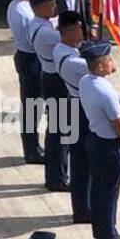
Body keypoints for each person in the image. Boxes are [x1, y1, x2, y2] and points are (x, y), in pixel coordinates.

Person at [76, 41, 120, 239]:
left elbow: (110, 101)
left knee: (100, 191)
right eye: (109, 60)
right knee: (108, 193)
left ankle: (104, 231)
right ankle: (107, 238)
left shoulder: (87, 81)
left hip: (95, 140)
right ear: (100, 66)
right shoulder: (103, 90)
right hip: (108, 147)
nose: (112, 62)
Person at [26, 0, 69, 192]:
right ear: (41, 7)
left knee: (56, 131)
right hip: (56, 80)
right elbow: (73, 45)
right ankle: (57, 177)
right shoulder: (48, 33)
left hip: (48, 76)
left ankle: (55, 174)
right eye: (51, 4)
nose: (54, 7)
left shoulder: (36, 24)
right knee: (61, 133)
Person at [53, 12, 92, 224]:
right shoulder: (75, 61)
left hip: (74, 105)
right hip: (80, 109)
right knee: (82, 162)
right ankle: (83, 209)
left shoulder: (62, 49)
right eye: (78, 28)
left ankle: (83, 206)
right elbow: (107, 66)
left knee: (80, 161)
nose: (82, 31)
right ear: (68, 32)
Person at [6, 0, 44, 164]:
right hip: (31, 59)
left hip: (27, 58)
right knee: (32, 107)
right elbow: (34, 40)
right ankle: (32, 150)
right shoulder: (23, 12)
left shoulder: (20, 6)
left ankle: (33, 147)